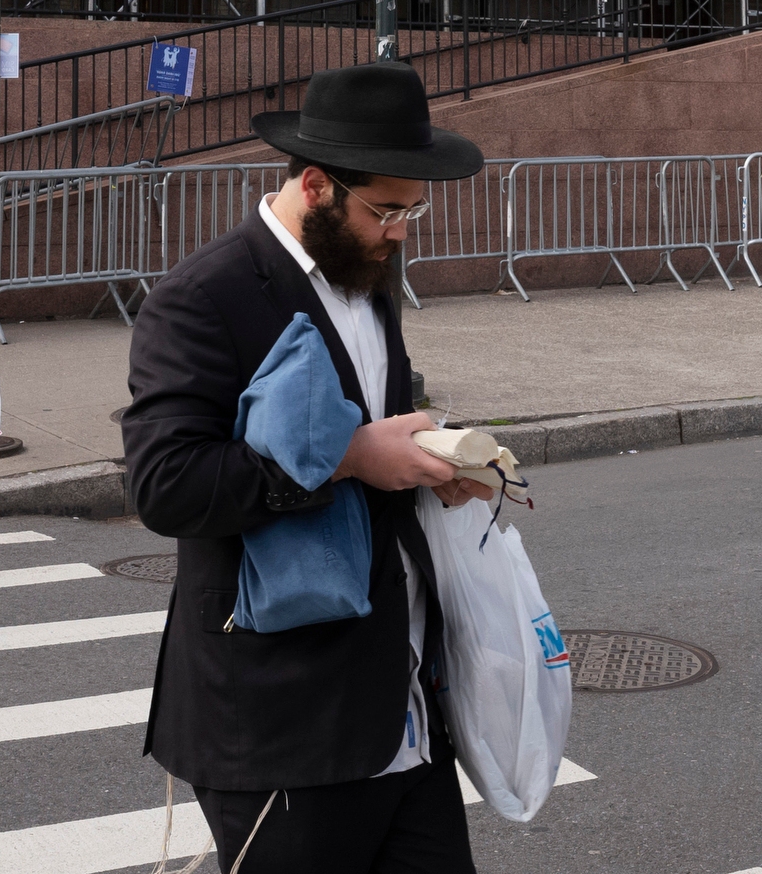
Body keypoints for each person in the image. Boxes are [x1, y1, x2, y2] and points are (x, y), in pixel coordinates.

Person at [122, 59, 495, 874]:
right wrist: (352, 457)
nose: (400, 231)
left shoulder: (366, 279)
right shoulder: (204, 295)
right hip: (284, 723)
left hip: (400, 701)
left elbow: (368, 438)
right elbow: (167, 485)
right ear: (317, 186)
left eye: (414, 211)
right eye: (387, 210)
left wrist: (435, 463)